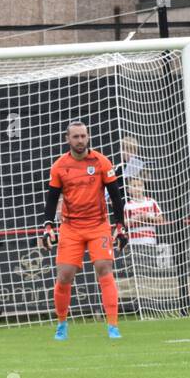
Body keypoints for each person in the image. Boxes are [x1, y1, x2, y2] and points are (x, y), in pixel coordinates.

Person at [41, 121, 127, 340]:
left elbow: (116, 196)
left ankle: (113, 326)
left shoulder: (101, 162)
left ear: (88, 137)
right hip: (70, 227)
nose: (80, 140)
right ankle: (61, 324)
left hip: (98, 224)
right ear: (67, 139)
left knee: (104, 267)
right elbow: (52, 199)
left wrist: (120, 226)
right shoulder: (60, 165)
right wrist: (48, 226)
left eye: (83, 136)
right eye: (76, 137)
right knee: (64, 275)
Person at [123, 176, 164, 247]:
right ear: (128, 190)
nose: (137, 188)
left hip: (150, 241)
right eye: (134, 186)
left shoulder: (151, 202)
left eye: (140, 185)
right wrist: (136, 219)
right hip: (134, 243)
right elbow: (124, 223)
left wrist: (148, 218)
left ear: (143, 188)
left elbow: (161, 219)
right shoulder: (128, 205)